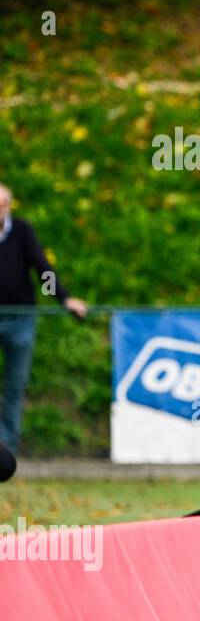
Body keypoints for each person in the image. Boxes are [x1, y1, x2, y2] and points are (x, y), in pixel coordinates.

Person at [0, 184, 87, 449]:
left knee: (15, 386)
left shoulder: (22, 231)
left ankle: (7, 449)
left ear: (9, 206)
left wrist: (62, 298)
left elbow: (42, 269)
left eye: (3, 203)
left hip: (21, 319)